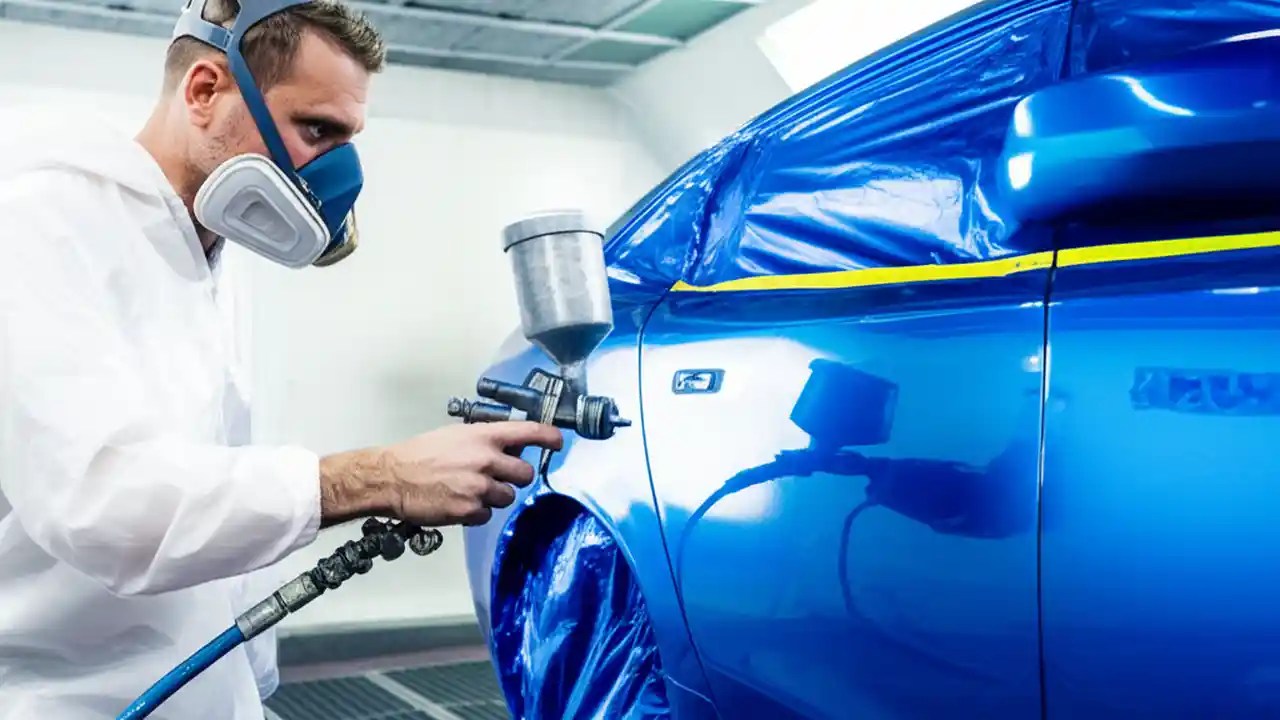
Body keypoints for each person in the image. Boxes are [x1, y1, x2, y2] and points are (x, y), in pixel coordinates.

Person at [0, 0, 561, 717]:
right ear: (205, 90)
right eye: (316, 130)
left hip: (206, 693)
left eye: (348, 138)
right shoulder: (39, 225)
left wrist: (252, 690)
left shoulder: (203, 253)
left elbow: (212, 480)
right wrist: (380, 476)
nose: (334, 171)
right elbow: (108, 506)